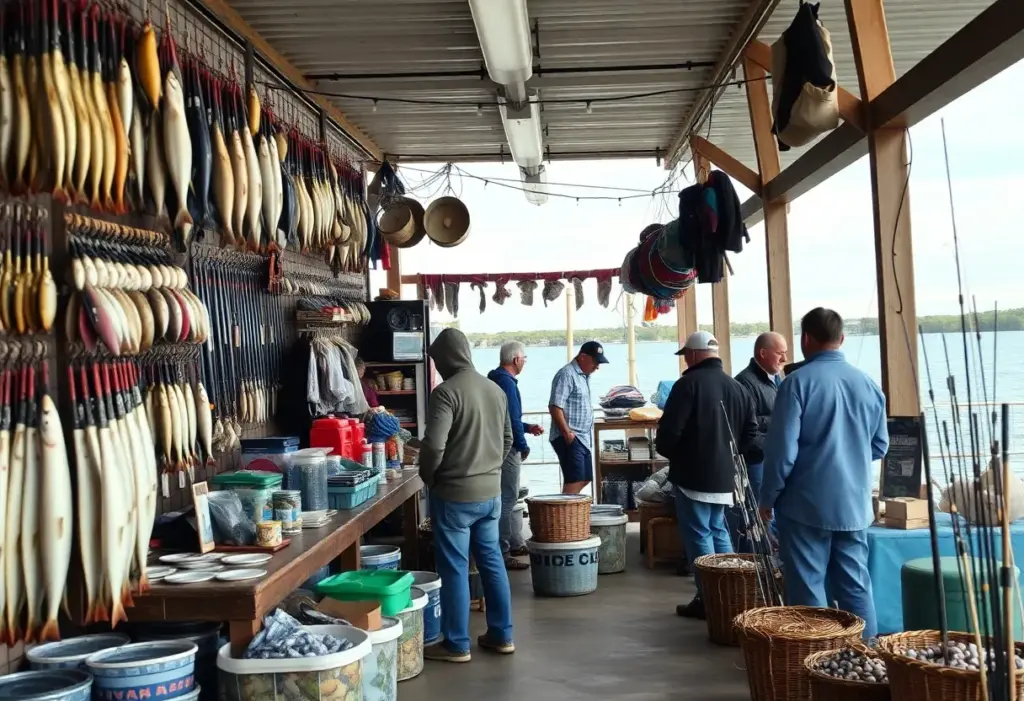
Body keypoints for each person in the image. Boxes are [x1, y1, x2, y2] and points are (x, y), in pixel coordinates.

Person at [759, 308, 889, 641]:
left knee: (807, 586)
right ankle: (867, 659)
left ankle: (818, 664)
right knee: (856, 585)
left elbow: (782, 454)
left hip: (805, 505)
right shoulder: (868, 384)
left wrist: (768, 498)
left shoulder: (796, 384)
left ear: (806, 339)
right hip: (855, 505)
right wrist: (849, 459)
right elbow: (880, 445)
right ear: (841, 339)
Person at [419, 328, 515, 662]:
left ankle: (457, 643)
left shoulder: (445, 393)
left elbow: (433, 445)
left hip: (455, 496)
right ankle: (502, 635)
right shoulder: (495, 389)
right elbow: (508, 439)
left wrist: (428, 476)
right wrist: (488, 470)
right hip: (491, 495)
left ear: (445, 358)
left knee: (455, 567)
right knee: (492, 562)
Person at [656, 331, 761, 619]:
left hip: (693, 476)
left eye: (686, 355)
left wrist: (674, 454)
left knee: (700, 534)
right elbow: (750, 435)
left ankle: (708, 599)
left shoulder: (687, 385)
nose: (685, 360)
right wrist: (727, 456)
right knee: (718, 530)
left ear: (693, 354)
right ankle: (731, 594)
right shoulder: (738, 387)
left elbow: (669, 434)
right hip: (726, 477)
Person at [487, 341, 544, 571]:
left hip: (497, 444)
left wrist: (527, 427)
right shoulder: (507, 384)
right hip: (507, 447)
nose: (525, 363)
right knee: (508, 498)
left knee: (506, 497)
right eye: (525, 359)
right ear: (516, 360)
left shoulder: (494, 379)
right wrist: (522, 444)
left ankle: (512, 542)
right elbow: (510, 420)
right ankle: (502, 551)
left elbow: (507, 417)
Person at [729, 332, 788, 551]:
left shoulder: (776, 378)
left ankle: (771, 557)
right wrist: (782, 421)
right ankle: (752, 562)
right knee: (756, 515)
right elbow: (747, 427)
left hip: (776, 458)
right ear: (763, 354)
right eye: (780, 354)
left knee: (773, 512)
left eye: (785, 354)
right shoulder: (745, 382)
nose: (784, 359)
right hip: (756, 461)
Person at [549, 341, 608, 495]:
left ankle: (569, 513)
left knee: (585, 478)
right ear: (582, 357)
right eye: (595, 362)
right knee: (574, 480)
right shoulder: (567, 374)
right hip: (570, 436)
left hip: (582, 437)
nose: (597, 366)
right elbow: (555, 406)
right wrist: (567, 432)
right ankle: (564, 515)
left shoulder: (583, 376)